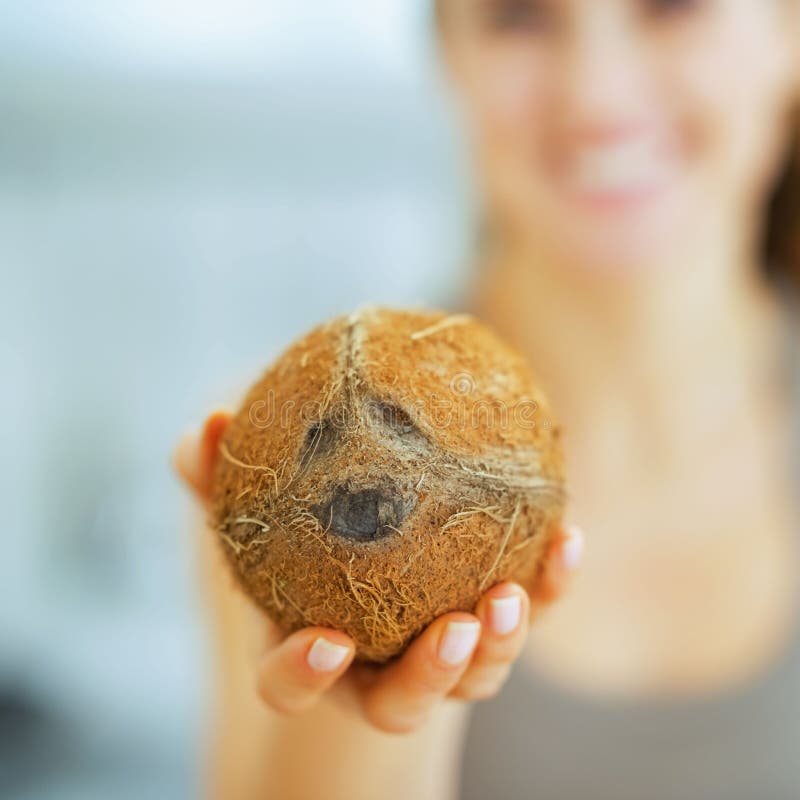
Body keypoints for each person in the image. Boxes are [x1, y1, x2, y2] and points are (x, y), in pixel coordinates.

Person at [174, 1, 800, 797]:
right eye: (518, 19)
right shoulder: (291, 468)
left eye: (672, 7)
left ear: (791, 30)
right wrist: (370, 713)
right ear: (448, 56)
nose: (597, 93)